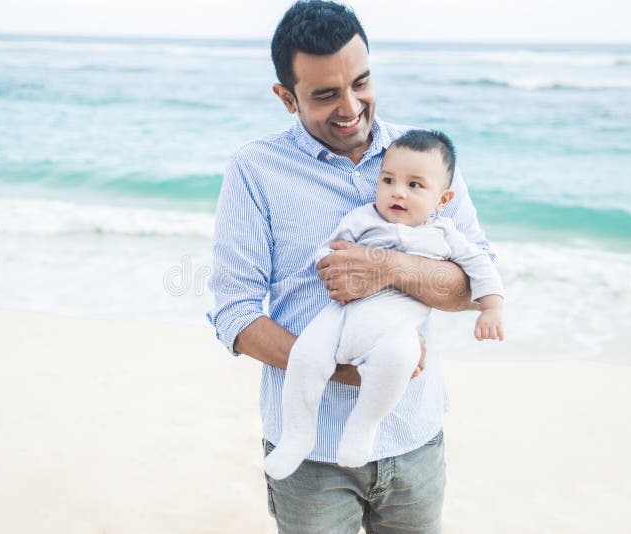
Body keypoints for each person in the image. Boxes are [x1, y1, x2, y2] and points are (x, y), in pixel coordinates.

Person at [206, 1, 496, 531]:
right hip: (310, 455)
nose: (351, 107)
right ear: (285, 98)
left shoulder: (424, 160)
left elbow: (473, 287)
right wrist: (346, 371)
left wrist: (386, 267)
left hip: (413, 435)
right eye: (325, 94)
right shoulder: (254, 169)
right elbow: (235, 316)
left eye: (361, 82)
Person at [263, 129, 504, 481]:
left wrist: (492, 308)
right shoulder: (363, 219)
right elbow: (332, 250)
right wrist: (331, 264)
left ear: (443, 198)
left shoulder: (445, 235)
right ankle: (298, 435)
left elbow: (481, 265)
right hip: (342, 316)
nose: (397, 192)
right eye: (388, 180)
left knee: (399, 360)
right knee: (306, 356)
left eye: (414, 185)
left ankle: (363, 425)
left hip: (396, 327)